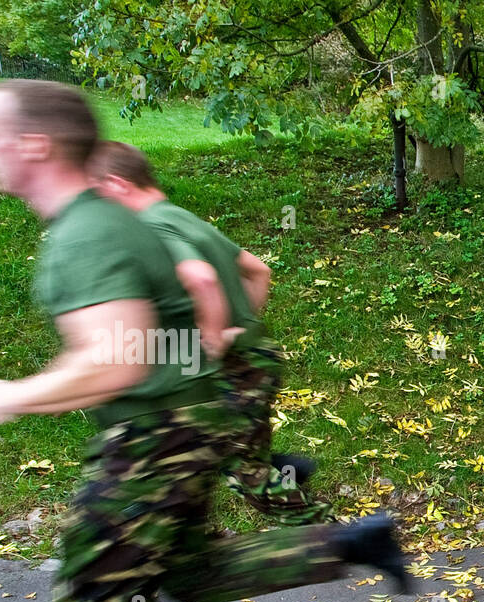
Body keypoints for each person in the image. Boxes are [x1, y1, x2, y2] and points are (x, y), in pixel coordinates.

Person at [0, 81, 409, 602]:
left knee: (92, 597)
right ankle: (349, 543)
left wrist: (7, 396)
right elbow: (204, 288)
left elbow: (116, 358)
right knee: (191, 571)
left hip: (155, 434)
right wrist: (213, 340)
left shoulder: (88, 229)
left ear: (34, 144)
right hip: (186, 418)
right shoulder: (113, 219)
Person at [88, 140, 331, 525]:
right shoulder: (180, 217)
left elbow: (200, 278)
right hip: (256, 354)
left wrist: (213, 340)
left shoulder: (150, 226)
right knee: (199, 444)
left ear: (117, 185)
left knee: (241, 470)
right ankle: (284, 470)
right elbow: (259, 270)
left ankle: (337, 537)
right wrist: (243, 323)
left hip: (233, 366)